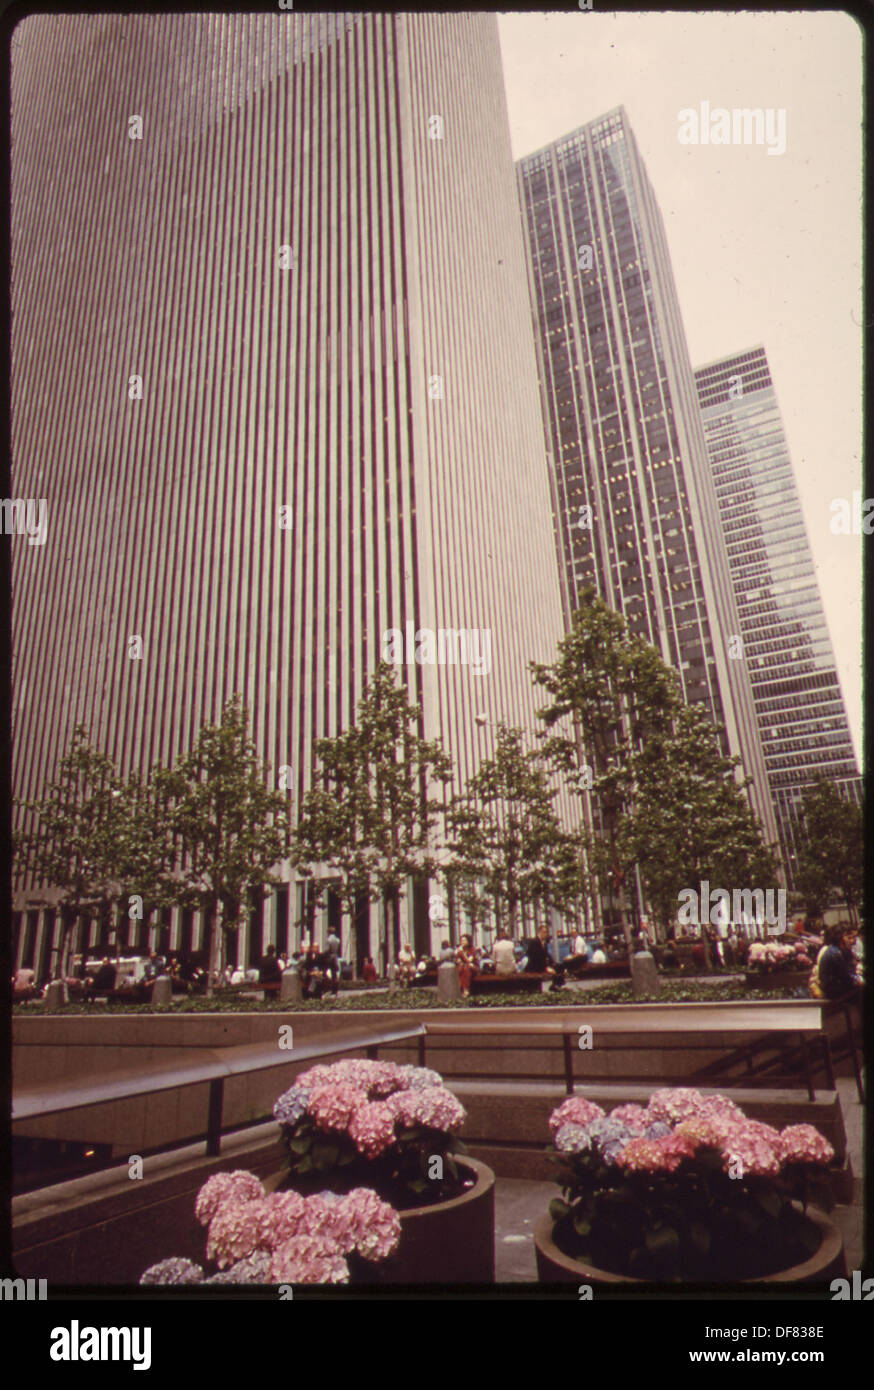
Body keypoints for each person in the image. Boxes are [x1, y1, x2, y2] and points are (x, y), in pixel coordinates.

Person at [818, 924, 859, 1000]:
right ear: (839, 939)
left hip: (840, 986)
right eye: (849, 938)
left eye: (854, 937)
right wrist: (858, 980)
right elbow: (847, 978)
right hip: (834, 991)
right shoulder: (835, 953)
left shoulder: (843, 951)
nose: (853, 941)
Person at [526, 924, 564, 990]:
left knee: (559, 966)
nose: (545, 934)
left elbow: (546, 954)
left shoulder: (544, 942)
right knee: (554, 969)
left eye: (546, 932)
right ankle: (555, 986)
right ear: (539, 932)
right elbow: (536, 959)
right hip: (534, 966)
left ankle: (556, 985)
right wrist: (546, 968)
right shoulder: (534, 942)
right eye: (544, 932)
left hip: (541, 964)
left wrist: (553, 963)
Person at [455, 933, 478, 998]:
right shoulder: (459, 950)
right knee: (462, 968)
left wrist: (462, 953)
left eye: (464, 940)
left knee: (465, 968)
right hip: (463, 968)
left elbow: (469, 960)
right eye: (461, 941)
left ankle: (465, 990)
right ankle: (464, 989)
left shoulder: (472, 950)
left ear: (468, 941)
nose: (462, 942)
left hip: (473, 967)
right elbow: (458, 961)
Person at [325, 929, 342, 995]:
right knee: (335, 974)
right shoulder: (337, 940)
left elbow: (327, 950)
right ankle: (335, 989)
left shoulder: (328, 940)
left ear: (329, 932)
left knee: (326, 972)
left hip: (329, 957)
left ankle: (328, 988)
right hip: (335, 957)